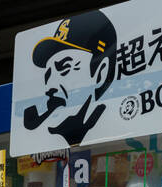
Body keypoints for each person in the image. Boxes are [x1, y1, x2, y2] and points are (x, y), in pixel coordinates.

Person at [24, 11, 118, 147]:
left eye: (64, 68)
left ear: (100, 74)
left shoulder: (112, 131)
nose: (49, 86)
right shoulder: (57, 137)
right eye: (48, 75)